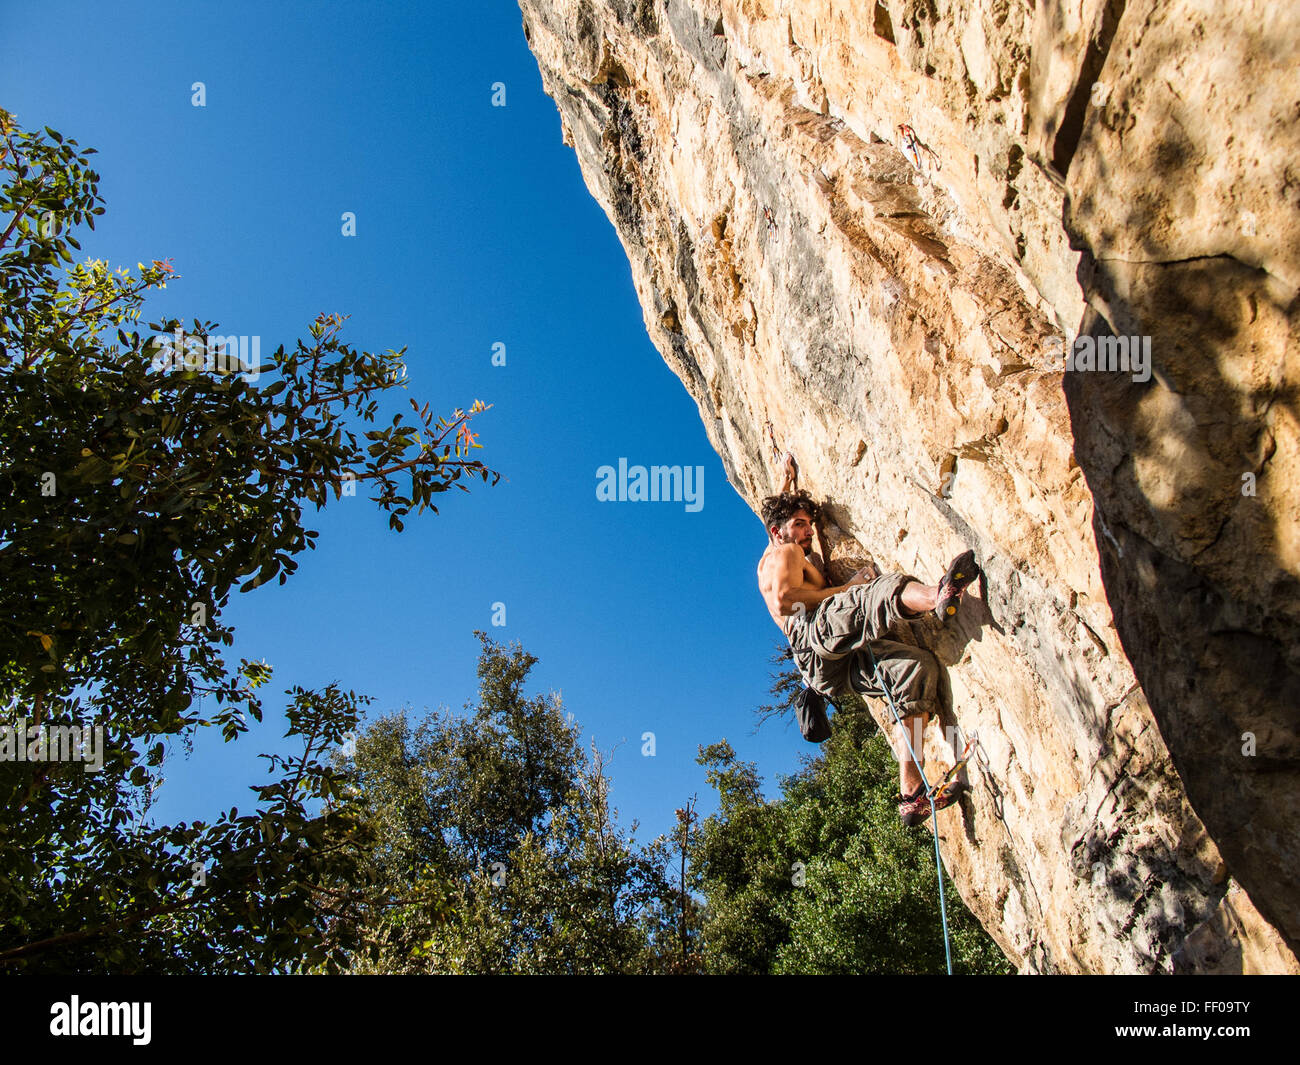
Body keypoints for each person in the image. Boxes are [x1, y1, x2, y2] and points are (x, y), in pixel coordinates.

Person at [756, 471, 979, 825]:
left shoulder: (778, 550)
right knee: (868, 595)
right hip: (811, 635)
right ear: (778, 532)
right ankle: (938, 597)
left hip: (829, 669)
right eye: (801, 524)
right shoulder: (785, 552)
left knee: (915, 672)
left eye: (809, 524)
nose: (809, 531)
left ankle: (911, 793)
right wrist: (847, 588)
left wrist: (785, 482)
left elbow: (772, 520)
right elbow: (786, 601)